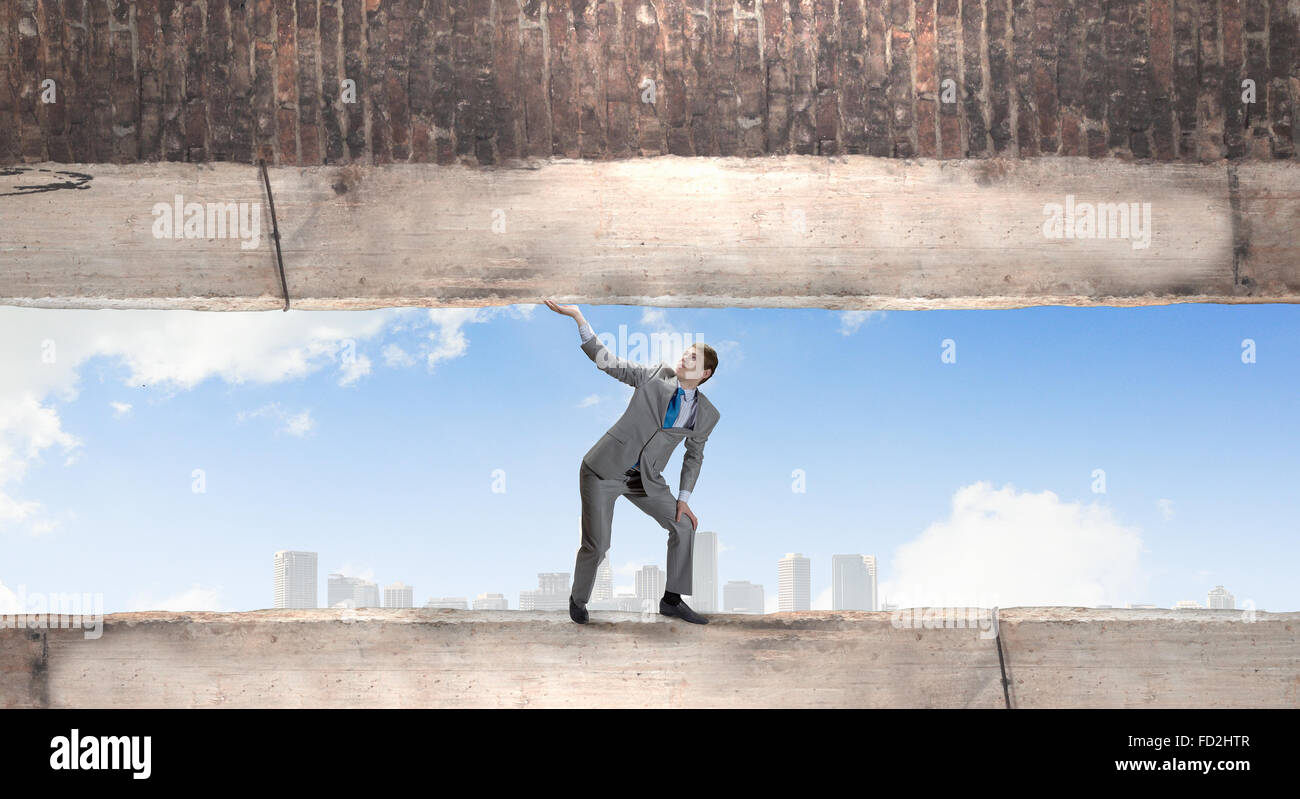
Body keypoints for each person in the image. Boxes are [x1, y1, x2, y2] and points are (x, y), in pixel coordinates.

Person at [544, 300, 721, 625]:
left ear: (705, 373)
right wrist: (579, 318)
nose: (685, 357)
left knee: (684, 525)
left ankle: (671, 600)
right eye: (686, 352)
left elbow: (694, 456)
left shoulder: (707, 415)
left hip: (646, 481)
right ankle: (578, 599)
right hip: (604, 471)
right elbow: (609, 362)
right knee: (597, 546)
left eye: (693, 357)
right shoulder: (655, 376)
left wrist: (684, 500)